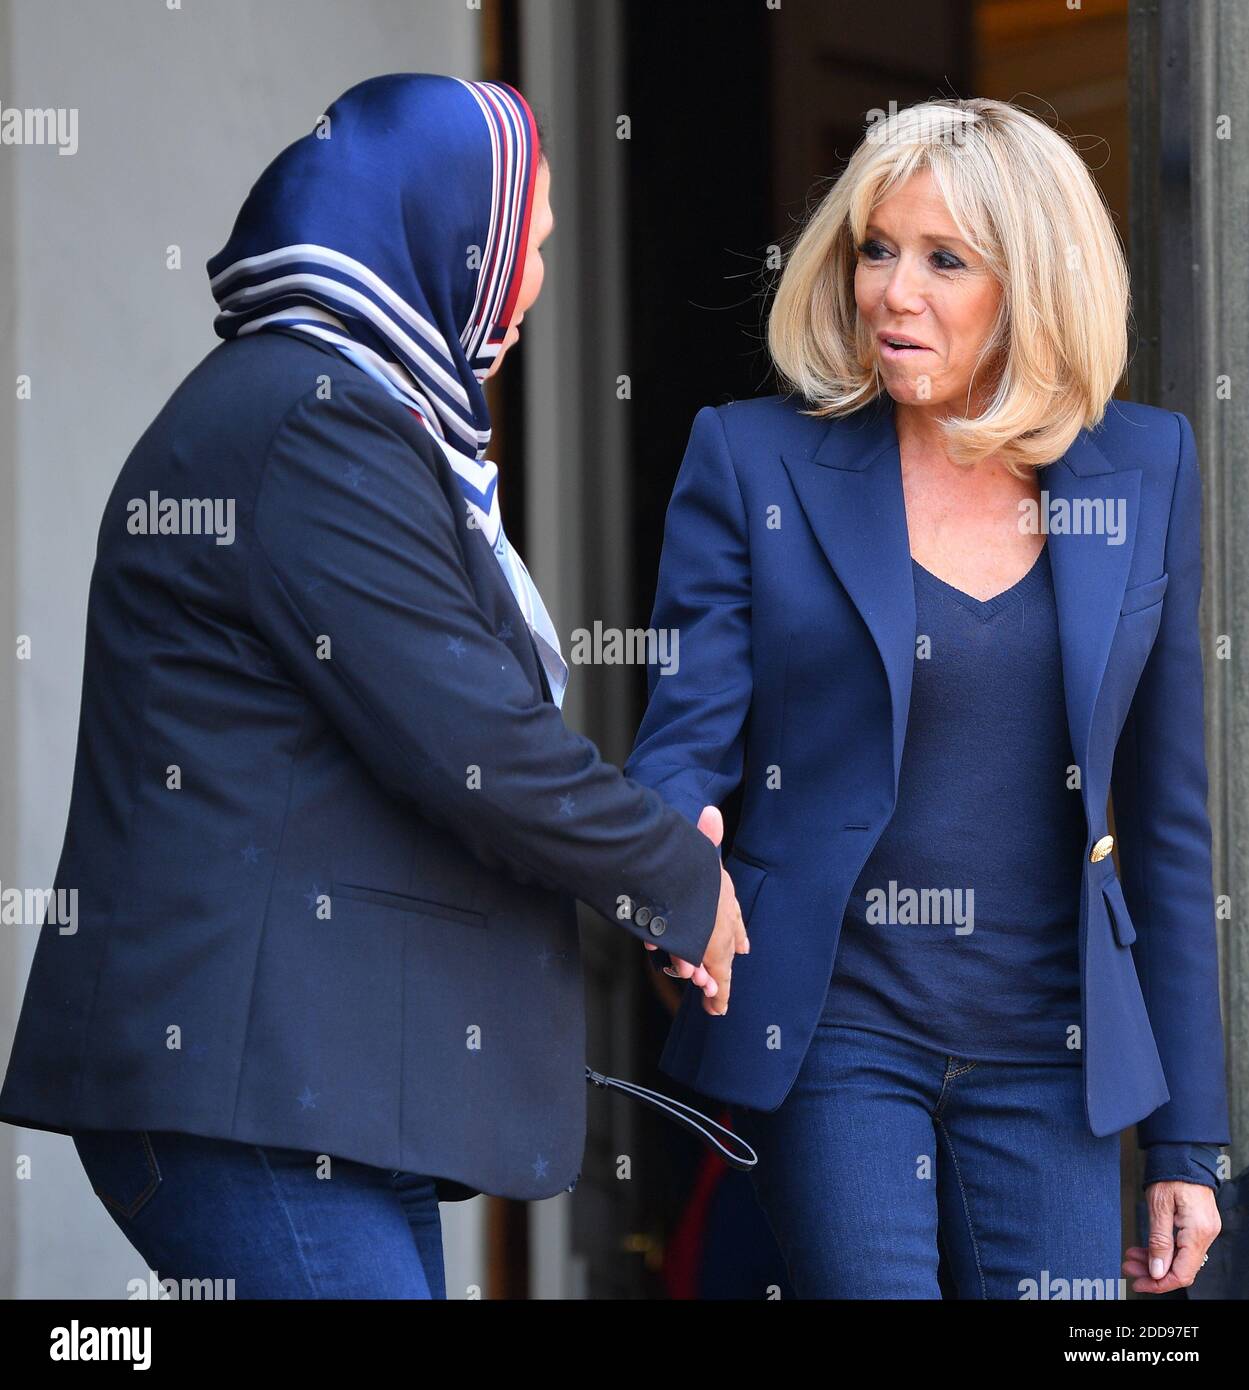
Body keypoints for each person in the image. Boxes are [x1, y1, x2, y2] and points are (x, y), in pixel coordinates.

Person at [0, 72, 746, 1299]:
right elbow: (474, 744)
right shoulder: (316, 419)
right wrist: (674, 875)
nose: (534, 286)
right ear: (449, 242)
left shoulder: (331, 409)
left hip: (311, 1098)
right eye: (527, 248)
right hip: (249, 1102)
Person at [626, 97, 1228, 1299]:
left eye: (944, 260)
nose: (892, 291)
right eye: (875, 248)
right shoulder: (751, 459)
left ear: (1033, 284)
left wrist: (1189, 1141)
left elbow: (1164, 816)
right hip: (835, 1035)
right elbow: (681, 750)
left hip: (1053, 1056)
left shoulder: (1144, 465)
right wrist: (674, 866)